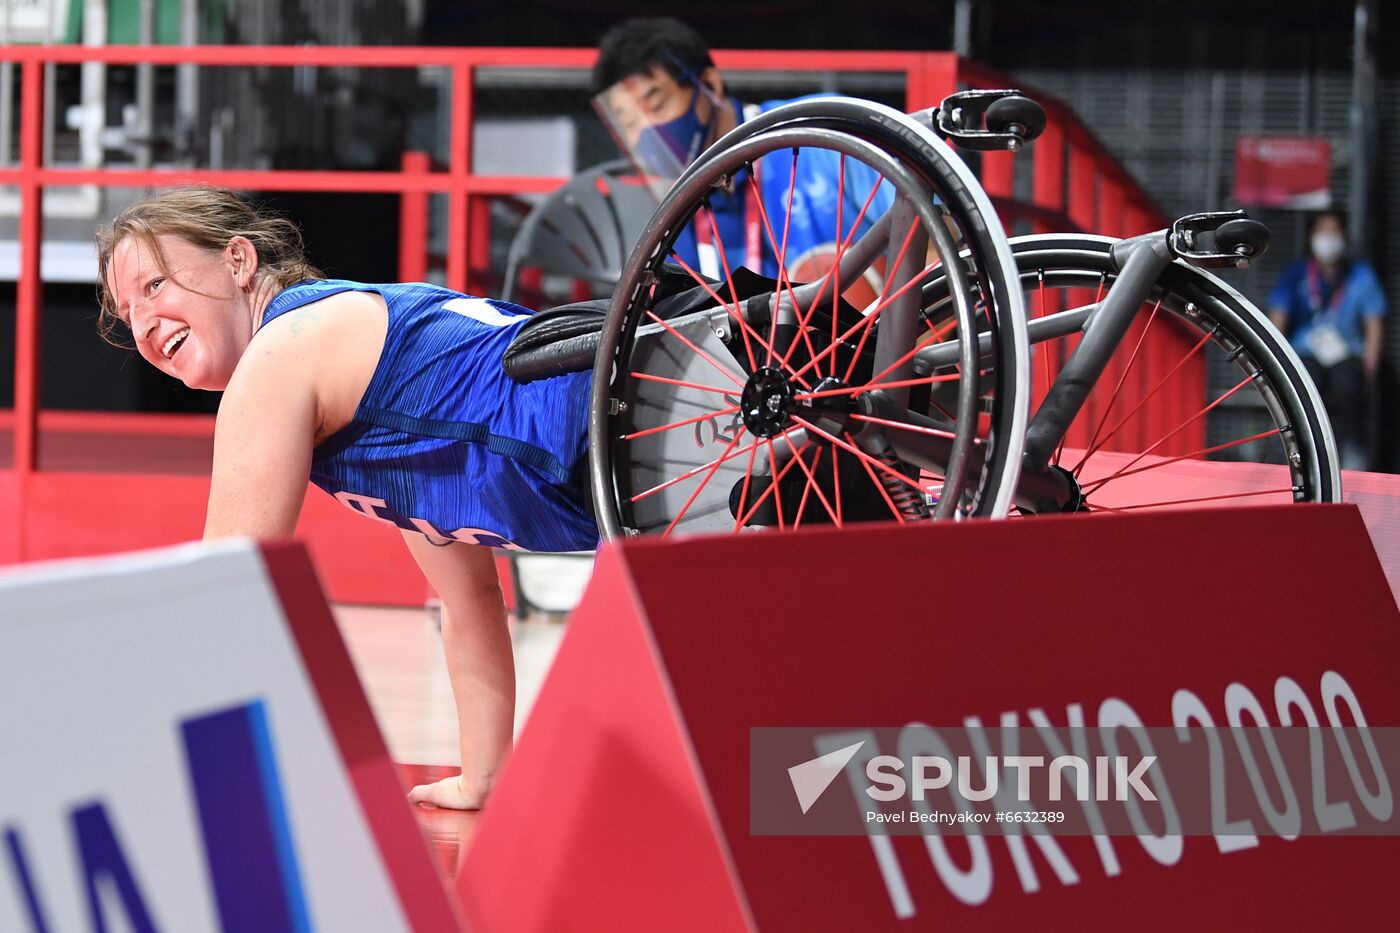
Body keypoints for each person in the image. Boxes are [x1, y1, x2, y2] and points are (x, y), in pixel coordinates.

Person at [96, 186, 598, 810]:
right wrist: (483, 778)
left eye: (154, 286)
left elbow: (225, 593)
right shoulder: (370, 378)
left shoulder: (278, 360)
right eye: (127, 315)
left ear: (239, 261)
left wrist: (131, 768)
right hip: (633, 403)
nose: (143, 325)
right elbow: (469, 597)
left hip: (614, 421)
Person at [591, 17, 895, 294]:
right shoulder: (670, 215)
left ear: (709, 84)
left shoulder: (824, 131)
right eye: (629, 123)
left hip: (878, 347)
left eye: (656, 105)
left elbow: (934, 239)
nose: (648, 133)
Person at [1267, 209, 1387, 471]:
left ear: (1344, 236)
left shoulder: (1360, 275)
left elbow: (1374, 321)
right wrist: (1277, 358)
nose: (1328, 238)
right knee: (1304, 382)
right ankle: (1299, 452)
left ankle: (1354, 454)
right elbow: (1279, 314)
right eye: (1322, 231)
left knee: (1349, 384)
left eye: (1334, 231)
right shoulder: (1296, 273)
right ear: (1311, 236)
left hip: (1346, 354)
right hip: (1305, 351)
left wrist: (1371, 363)